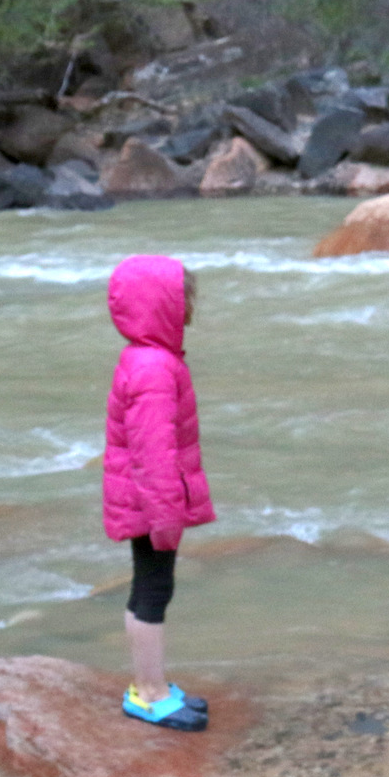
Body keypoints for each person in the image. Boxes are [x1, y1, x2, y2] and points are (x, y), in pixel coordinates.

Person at [103, 254, 217, 730]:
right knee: (152, 591)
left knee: (150, 588)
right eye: (182, 298)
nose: (189, 307)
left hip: (144, 498)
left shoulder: (147, 358)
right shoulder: (154, 368)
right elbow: (153, 453)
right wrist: (167, 518)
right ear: (161, 306)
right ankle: (148, 693)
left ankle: (150, 683)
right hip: (151, 503)